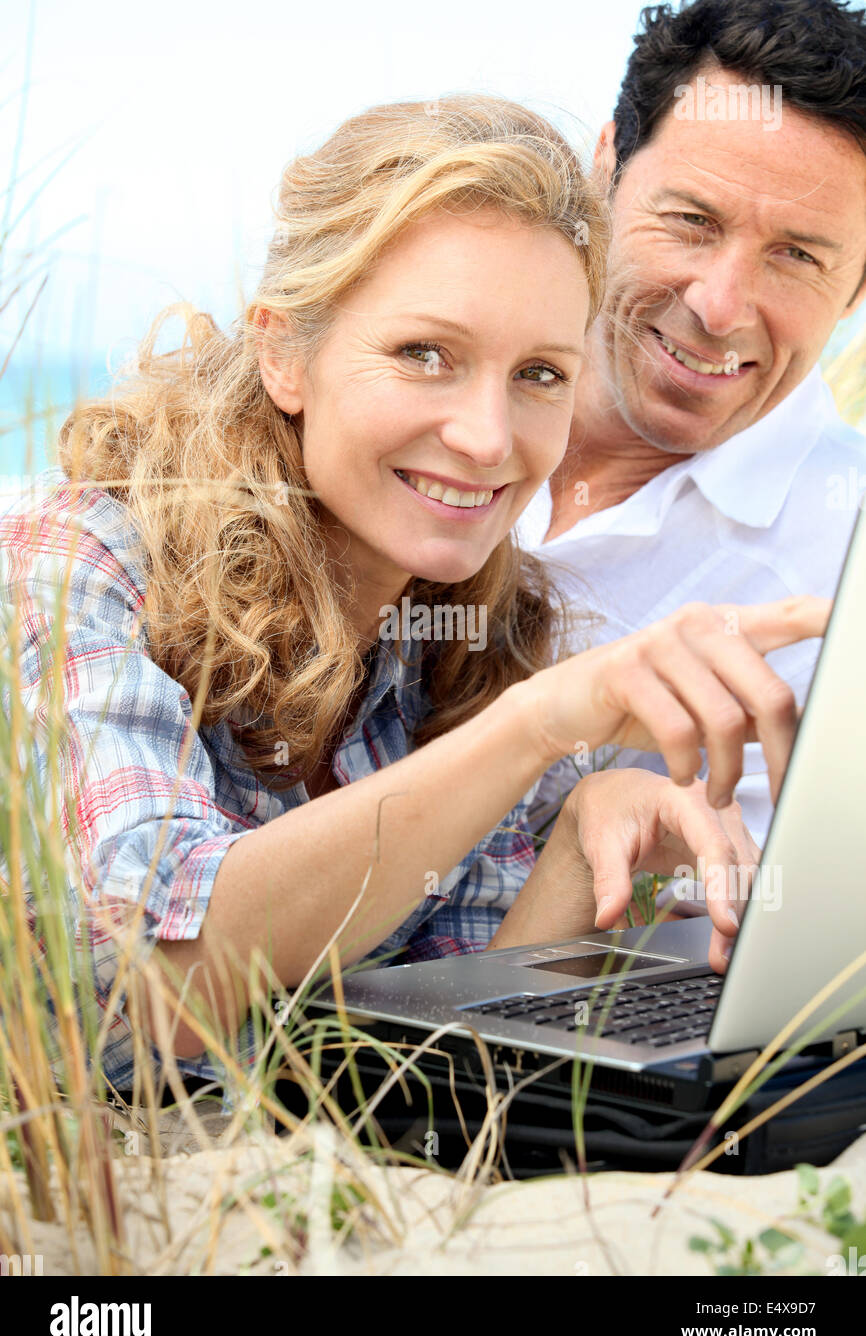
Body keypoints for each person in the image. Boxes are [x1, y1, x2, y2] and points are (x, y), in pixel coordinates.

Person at [0, 93, 827, 1090]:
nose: (485, 437)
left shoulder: (477, 629)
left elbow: (420, 1074)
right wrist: (531, 728)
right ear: (284, 352)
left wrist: (576, 838)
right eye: (422, 355)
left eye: (536, 374)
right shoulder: (79, 560)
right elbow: (144, 990)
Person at [516, 0, 866, 858]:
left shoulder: (845, 564)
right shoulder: (419, 400)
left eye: (796, 256)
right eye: (691, 220)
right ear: (605, 171)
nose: (719, 306)